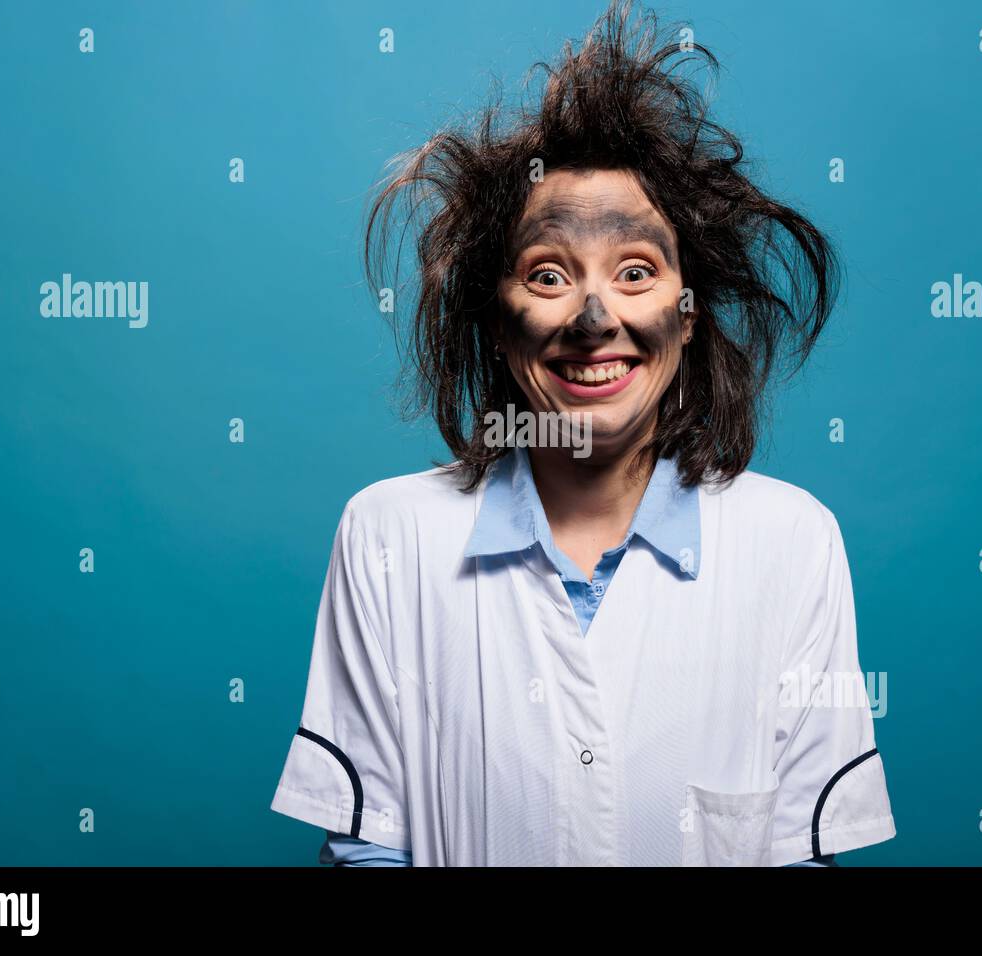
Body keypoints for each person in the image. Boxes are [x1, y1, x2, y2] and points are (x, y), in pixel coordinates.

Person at [270, 0, 895, 867]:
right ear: (498, 320)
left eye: (636, 271)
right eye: (550, 273)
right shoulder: (390, 537)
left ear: (688, 315)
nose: (595, 317)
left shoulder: (792, 544)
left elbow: (801, 853)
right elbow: (371, 852)